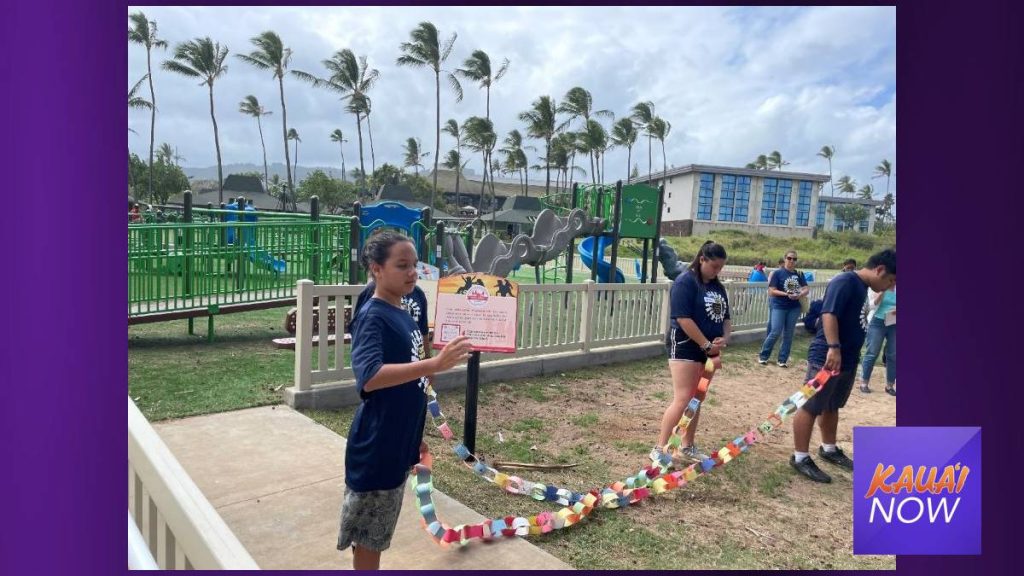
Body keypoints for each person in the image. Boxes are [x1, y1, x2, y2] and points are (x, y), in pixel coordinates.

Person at [338, 231, 472, 570]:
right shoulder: (374, 315)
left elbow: (411, 382)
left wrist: (413, 437)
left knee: (376, 532)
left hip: (396, 440)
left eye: (414, 265)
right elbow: (369, 377)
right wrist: (434, 364)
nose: (412, 272)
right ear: (376, 269)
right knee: (370, 536)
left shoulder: (404, 312)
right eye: (402, 265)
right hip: (377, 445)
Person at [789, 249, 896, 483]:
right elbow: (829, 314)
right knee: (810, 405)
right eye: (890, 281)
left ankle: (828, 448)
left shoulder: (862, 287)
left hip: (846, 358)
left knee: (832, 405)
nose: (889, 287)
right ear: (880, 270)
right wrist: (834, 347)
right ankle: (800, 457)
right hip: (827, 358)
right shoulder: (845, 281)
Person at [652, 240, 731, 464]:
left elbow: (726, 318)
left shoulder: (718, 287)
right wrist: (706, 344)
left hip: (709, 351)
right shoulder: (685, 282)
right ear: (702, 259)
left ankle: (686, 447)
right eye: (714, 266)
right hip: (686, 346)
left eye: (720, 268)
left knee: (696, 399)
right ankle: (660, 447)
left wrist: (724, 338)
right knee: (684, 397)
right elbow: (683, 318)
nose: (717, 271)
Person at [758, 250, 809, 368]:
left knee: (789, 333)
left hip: (794, 307)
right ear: (785, 259)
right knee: (775, 330)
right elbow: (772, 291)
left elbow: (806, 288)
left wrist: (800, 294)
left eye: (794, 259)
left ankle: (782, 359)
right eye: (790, 258)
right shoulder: (778, 273)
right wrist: (786, 294)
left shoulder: (799, 274)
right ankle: (763, 355)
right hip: (779, 306)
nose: (792, 261)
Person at [858, 284, 896, 395]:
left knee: (893, 355)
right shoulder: (877, 285)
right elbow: (871, 306)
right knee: (872, 353)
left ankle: (890, 385)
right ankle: (864, 382)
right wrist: (882, 291)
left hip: (894, 322)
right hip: (877, 322)